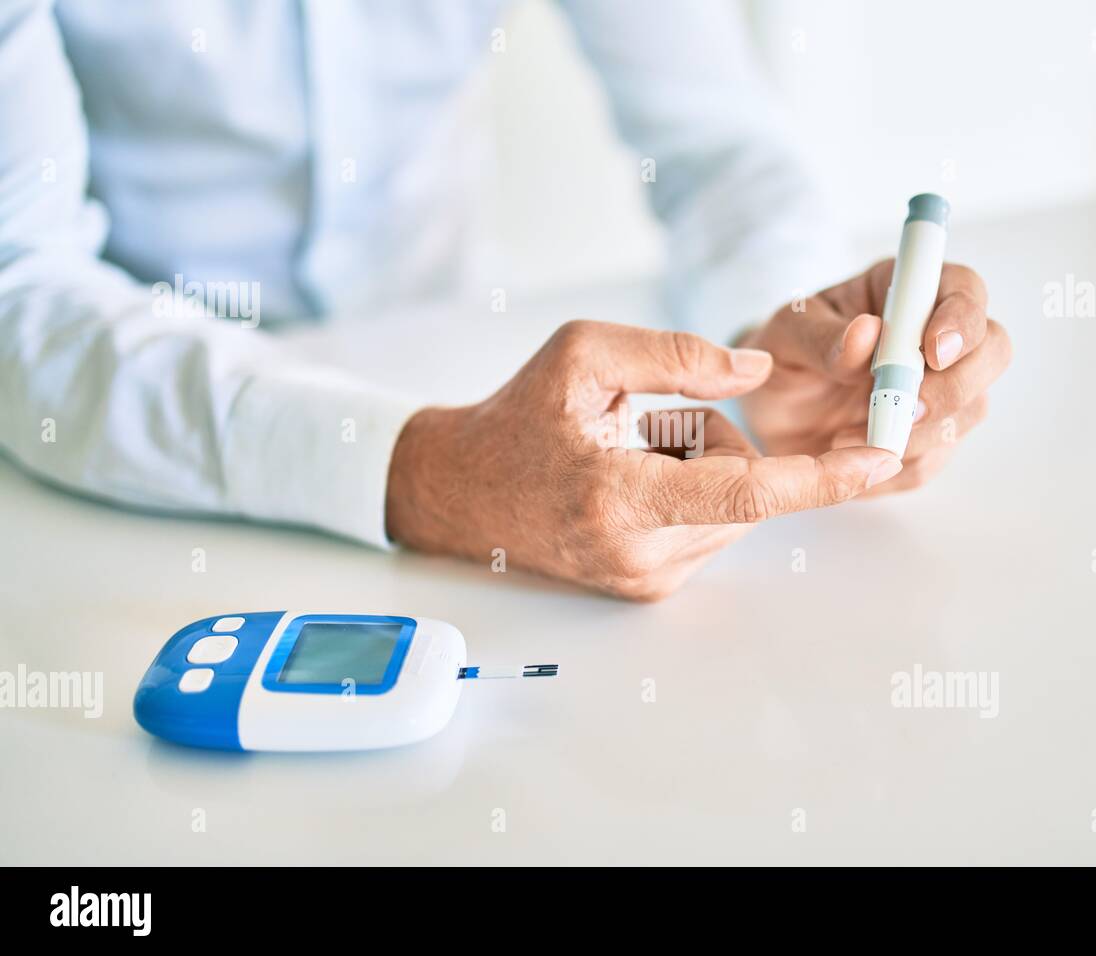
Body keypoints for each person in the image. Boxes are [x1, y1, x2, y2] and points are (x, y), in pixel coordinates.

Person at [0, 0, 1010, 600]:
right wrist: (426, 470)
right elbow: (21, 281)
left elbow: (720, 148)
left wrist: (775, 338)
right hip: (112, 448)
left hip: (471, 370)